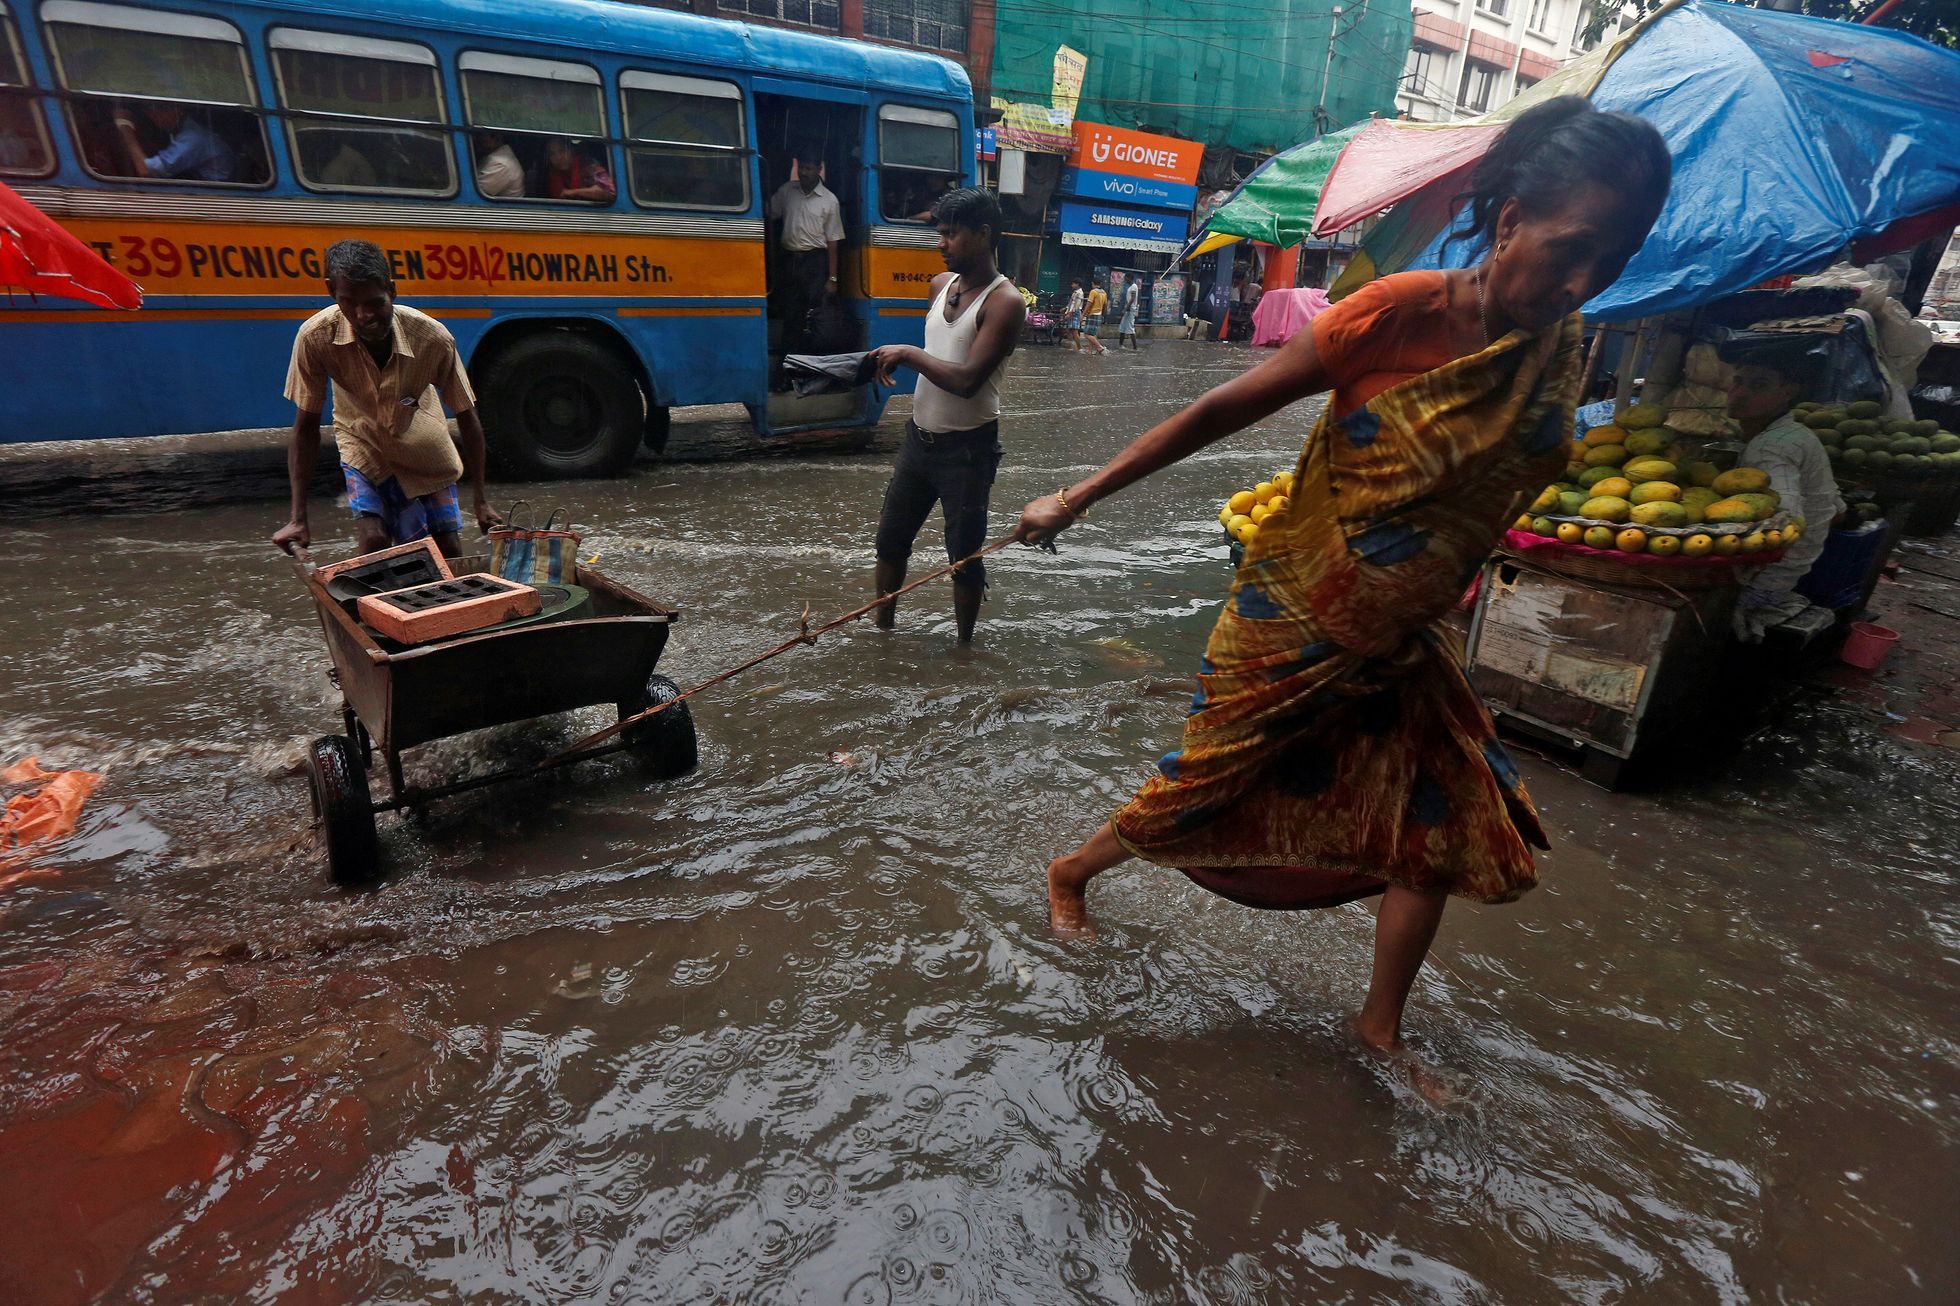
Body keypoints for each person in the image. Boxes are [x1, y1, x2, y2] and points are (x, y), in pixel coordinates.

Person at [1012, 97, 1672, 1088]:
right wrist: (1075, 495)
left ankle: (1378, 1026)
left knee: (1436, 814)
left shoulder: (1560, 348)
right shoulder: (1395, 313)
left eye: (1612, 259)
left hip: (1410, 627)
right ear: (1506, 224)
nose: (1584, 281)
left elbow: (1512, 477)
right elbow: (1220, 409)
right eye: (1570, 248)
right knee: (1205, 782)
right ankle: (1071, 871)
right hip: (1299, 606)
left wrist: (1451, 571)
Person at [271, 240, 502, 559]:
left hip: (421, 442)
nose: (364, 316)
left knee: (447, 549)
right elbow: (305, 427)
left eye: (375, 303)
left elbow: (466, 416)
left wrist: (481, 500)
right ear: (331, 293)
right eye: (349, 303)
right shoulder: (315, 338)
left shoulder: (432, 339)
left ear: (392, 291)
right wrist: (298, 518)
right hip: (361, 440)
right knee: (374, 540)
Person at [868, 188, 1026, 643]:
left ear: (983, 235)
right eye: (939, 233)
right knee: (890, 542)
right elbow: (942, 352)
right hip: (920, 441)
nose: (941, 243)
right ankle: (883, 632)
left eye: (951, 235)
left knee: (963, 556)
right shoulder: (941, 286)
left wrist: (909, 354)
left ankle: (964, 650)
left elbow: (967, 379)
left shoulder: (1005, 303)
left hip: (968, 451)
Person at [1723, 349, 1846, 641]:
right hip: (1793, 571)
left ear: (1788, 391)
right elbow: (1838, 510)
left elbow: (1786, 524)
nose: (1739, 393)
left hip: (1765, 583)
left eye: (1758, 386)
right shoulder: (1797, 432)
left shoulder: (1770, 447)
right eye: (1738, 381)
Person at [768, 153, 846, 353]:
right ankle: (789, 366)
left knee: (815, 317)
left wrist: (833, 277)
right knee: (791, 314)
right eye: (801, 167)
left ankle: (813, 366)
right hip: (790, 259)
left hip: (815, 262)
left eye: (808, 168)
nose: (803, 172)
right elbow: (770, 213)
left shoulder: (830, 200)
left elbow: (833, 241)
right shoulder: (787, 191)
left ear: (819, 169)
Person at [112, 102, 235, 182]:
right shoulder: (180, 131)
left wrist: (125, 127)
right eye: (149, 111)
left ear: (178, 109)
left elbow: (147, 172)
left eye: (160, 109)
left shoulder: (193, 138)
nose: (153, 115)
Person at [545, 138, 614, 202]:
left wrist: (574, 192)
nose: (558, 157)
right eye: (552, 154)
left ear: (572, 151)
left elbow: (610, 192)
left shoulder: (589, 166)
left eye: (562, 151)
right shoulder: (551, 173)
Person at [474, 130, 526, 199]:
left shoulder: (500, 164)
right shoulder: (496, 157)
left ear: (496, 138)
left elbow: (473, 194)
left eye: (481, 136)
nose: (477, 140)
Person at [1080, 278, 1109, 355]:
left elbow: (1089, 304)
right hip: (1099, 315)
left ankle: (1100, 348)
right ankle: (1090, 351)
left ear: (1093, 283)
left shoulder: (1093, 292)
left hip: (1092, 314)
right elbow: (1105, 306)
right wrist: (1103, 315)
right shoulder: (1104, 293)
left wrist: (1083, 315)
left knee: (1087, 334)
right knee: (1093, 334)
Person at [1116, 275, 1143, 351]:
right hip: (1128, 309)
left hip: (1131, 309)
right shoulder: (1131, 286)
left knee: (1130, 327)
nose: (1125, 280)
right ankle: (1121, 345)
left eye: (1126, 278)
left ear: (1129, 278)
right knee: (1122, 327)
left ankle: (1135, 347)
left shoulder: (1134, 286)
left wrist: (1125, 309)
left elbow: (1132, 298)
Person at [1062, 279, 1085, 351]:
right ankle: (1072, 345)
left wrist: (1070, 313)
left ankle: (1079, 348)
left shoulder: (1079, 293)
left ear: (1077, 284)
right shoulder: (1075, 293)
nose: (1072, 285)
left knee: (1074, 330)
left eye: (1073, 284)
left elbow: (1076, 305)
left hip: (1075, 312)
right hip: (1071, 311)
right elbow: (1071, 303)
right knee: (1068, 330)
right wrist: (1066, 308)